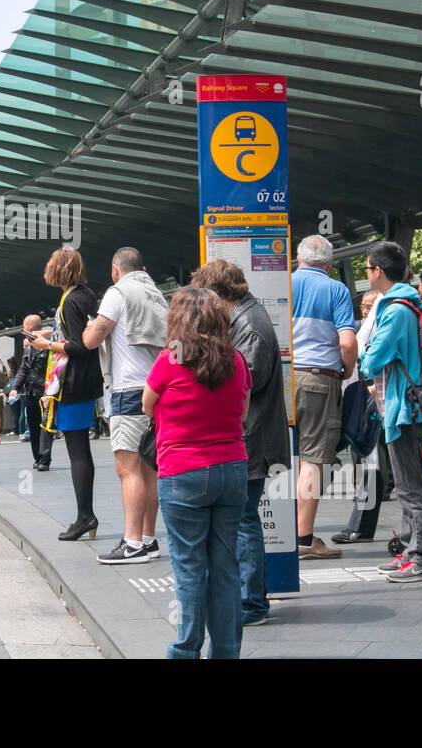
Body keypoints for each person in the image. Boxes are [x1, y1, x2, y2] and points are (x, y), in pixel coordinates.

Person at [143, 287, 251, 658]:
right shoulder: (236, 360)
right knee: (225, 568)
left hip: (182, 472)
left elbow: (146, 404)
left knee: (190, 568)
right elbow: (242, 411)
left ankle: (185, 650)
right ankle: (226, 652)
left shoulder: (170, 359)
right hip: (232, 471)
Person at [191, 259, 285, 627]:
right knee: (243, 518)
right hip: (250, 434)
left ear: (216, 294)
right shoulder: (248, 318)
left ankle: (251, 603)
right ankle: (247, 599)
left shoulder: (250, 326)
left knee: (245, 520)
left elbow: (244, 380)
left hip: (253, 436)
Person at [359, 240, 422, 583]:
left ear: (378, 271)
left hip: (402, 407)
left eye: (367, 269)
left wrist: (366, 358)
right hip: (400, 404)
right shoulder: (401, 304)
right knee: (408, 484)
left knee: (411, 486)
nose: (366, 274)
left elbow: (372, 358)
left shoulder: (394, 310)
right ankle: (411, 552)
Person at [83, 247, 168, 565]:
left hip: (129, 390)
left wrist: (88, 330)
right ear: (142, 268)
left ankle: (132, 542)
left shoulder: (118, 293)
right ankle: (147, 539)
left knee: (128, 469)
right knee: (149, 468)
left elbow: (93, 339)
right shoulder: (157, 294)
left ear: (115, 270)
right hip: (156, 389)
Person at [27, 247, 104, 541]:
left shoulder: (70, 300)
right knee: (80, 447)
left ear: (58, 270)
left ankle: (85, 516)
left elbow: (78, 345)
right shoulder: (86, 295)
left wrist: (46, 346)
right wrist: (50, 335)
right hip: (87, 382)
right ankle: (86, 515)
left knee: (76, 450)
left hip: (72, 383)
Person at [290, 235, 358, 560]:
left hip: (282, 379)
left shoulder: (283, 284)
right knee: (314, 459)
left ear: (297, 258)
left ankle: (276, 533)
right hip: (319, 379)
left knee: (283, 455)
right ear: (329, 264)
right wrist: (346, 371)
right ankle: (303, 538)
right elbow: (347, 343)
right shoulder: (335, 290)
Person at [333, 291, 383, 545]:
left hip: (375, 402)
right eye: (364, 307)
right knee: (367, 464)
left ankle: (360, 526)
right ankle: (361, 525)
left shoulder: (388, 320)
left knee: (370, 464)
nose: (366, 311)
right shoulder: (361, 330)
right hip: (367, 403)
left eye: (370, 307)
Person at [10, 315, 49, 469]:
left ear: (31, 330)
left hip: (45, 392)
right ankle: (37, 457)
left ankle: (45, 459)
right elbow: (23, 370)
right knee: (33, 426)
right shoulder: (28, 348)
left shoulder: (48, 345)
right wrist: (15, 388)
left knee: (45, 426)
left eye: (25, 329)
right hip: (31, 392)